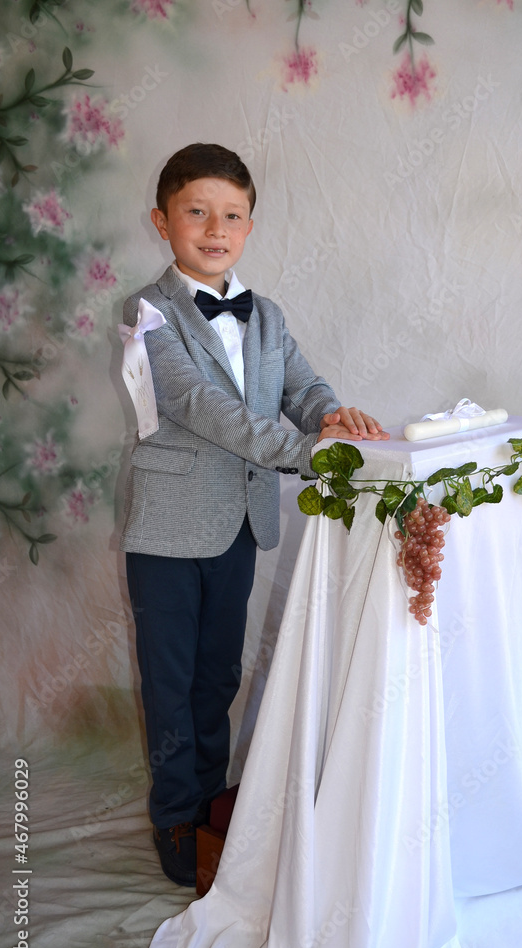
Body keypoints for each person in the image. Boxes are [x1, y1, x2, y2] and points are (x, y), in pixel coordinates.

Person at [119, 142, 388, 887]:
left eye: (231, 215)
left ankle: (210, 802)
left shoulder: (265, 315)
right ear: (162, 222)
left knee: (217, 675)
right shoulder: (148, 311)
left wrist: (333, 415)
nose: (215, 228)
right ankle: (175, 815)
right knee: (170, 678)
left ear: (248, 227)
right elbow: (200, 407)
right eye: (196, 212)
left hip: (238, 523)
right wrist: (306, 452)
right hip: (166, 530)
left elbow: (302, 386)